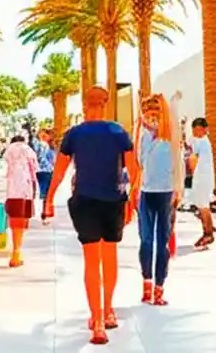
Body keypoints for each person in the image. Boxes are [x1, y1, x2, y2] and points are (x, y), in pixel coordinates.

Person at [44, 87, 139, 345]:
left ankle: (97, 321)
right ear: (106, 104)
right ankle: (108, 310)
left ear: (85, 105)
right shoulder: (118, 132)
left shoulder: (74, 134)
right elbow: (134, 169)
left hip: (84, 201)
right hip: (113, 201)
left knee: (90, 261)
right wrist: (133, 198)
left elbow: (60, 171)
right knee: (109, 257)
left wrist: (49, 198)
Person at [136, 94, 184, 306]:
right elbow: (138, 161)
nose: (151, 115)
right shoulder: (142, 134)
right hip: (146, 192)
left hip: (166, 194)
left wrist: (178, 190)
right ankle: (146, 283)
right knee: (146, 240)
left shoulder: (171, 136)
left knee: (162, 243)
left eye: (156, 110)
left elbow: (178, 164)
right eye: (147, 111)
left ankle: (159, 288)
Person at [2, 133, 38, 268]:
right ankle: (17, 251)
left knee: (14, 220)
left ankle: (15, 251)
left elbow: (7, 162)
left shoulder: (9, 150)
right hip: (26, 189)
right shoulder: (28, 150)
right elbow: (34, 169)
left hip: (12, 189)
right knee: (21, 223)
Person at [187, 117, 216, 248]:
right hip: (200, 177)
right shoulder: (200, 141)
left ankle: (208, 233)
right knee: (201, 206)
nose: (197, 132)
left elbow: (193, 159)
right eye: (195, 130)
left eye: (200, 129)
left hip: (203, 178)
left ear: (205, 130)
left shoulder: (201, 142)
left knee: (204, 207)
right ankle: (207, 228)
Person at [32, 129, 55, 222]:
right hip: (44, 171)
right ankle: (45, 213)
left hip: (45, 171)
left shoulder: (49, 147)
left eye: (45, 135)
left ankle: (45, 212)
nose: (43, 137)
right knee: (45, 193)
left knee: (45, 193)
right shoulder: (41, 144)